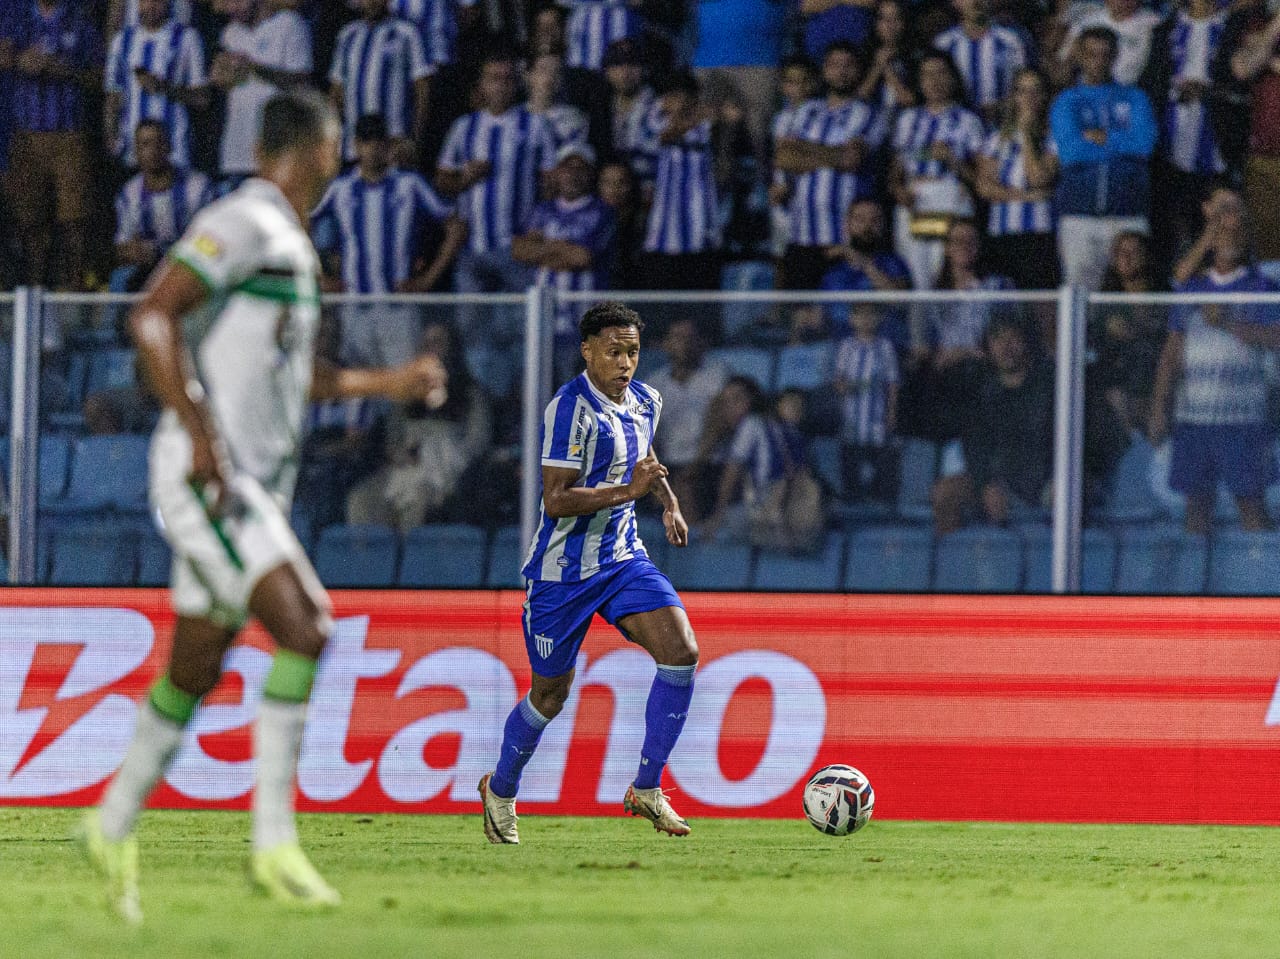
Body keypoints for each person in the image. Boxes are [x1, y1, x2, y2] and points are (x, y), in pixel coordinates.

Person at [79, 89, 449, 922]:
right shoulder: (245, 220)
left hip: (248, 480)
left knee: (196, 666)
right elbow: (151, 315)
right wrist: (199, 429)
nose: (339, 157)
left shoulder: (291, 245)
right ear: (318, 147)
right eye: (336, 145)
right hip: (210, 477)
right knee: (306, 625)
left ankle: (107, 824)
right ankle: (274, 844)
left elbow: (304, 379)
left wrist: (391, 383)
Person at [478, 300, 698, 844]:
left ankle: (647, 787)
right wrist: (629, 492)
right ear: (588, 351)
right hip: (561, 574)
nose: (626, 363)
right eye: (614, 351)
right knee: (550, 695)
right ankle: (500, 789)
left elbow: (645, 464)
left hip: (622, 558)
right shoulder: (570, 409)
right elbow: (555, 500)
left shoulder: (647, 401)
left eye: (633, 352)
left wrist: (668, 501)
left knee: (682, 652)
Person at [1148, 188, 1279, 534]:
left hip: (1243, 418)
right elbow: (1171, 353)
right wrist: (1159, 408)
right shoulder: (1191, 289)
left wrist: (1230, 324)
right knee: (1196, 509)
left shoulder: (1264, 288)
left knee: (1252, 507)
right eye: (1221, 230)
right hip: (1193, 419)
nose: (1229, 235)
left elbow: (1277, 338)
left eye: (1236, 230)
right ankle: (1195, 586)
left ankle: (1261, 581)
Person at [312, 112, 463, 366]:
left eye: (378, 142)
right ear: (356, 146)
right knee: (358, 390)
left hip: (398, 308)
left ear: (388, 145)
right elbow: (299, 223)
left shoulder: (410, 185)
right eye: (366, 142)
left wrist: (426, 281)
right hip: (354, 308)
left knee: (400, 390)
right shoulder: (340, 189)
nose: (372, 150)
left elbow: (456, 228)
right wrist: (320, 279)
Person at [436, 52, 557, 313]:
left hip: (517, 247)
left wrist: (538, 229)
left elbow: (550, 183)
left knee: (521, 324)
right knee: (473, 329)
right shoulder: (464, 127)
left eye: (508, 79)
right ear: (481, 84)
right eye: (494, 79)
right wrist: (465, 178)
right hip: (472, 247)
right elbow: (443, 180)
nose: (501, 85)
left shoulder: (535, 125)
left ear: (516, 85)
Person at [347, 318, 492, 529]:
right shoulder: (407, 394)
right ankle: (365, 561)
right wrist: (399, 453)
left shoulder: (472, 396)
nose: (431, 348)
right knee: (360, 500)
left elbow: (477, 443)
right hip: (401, 472)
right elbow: (393, 437)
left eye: (438, 342)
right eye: (427, 343)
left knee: (416, 501)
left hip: (444, 476)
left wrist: (439, 456)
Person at [0, 0, 103, 290]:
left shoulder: (79, 20)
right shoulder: (17, 18)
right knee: (28, 226)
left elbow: (100, 77)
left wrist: (63, 70)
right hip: (26, 135)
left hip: (70, 134)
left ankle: (72, 297)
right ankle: (31, 299)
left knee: (74, 224)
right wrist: (21, 59)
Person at [1049, 26, 1158, 291]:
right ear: (1079, 56)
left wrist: (1102, 137)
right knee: (1079, 293)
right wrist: (1122, 141)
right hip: (1079, 215)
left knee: (1135, 290)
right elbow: (1071, 153)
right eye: (1091, 55)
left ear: (1115, 56)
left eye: (1105, 55)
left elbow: (1144, 145)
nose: (1098, 62)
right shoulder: (1066, 101)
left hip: (1128, 212)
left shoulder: (1135, 98)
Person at [773, 42, 888, 291]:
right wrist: (834, 154)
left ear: (859, 71)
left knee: (839, 317)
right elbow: (783, 157)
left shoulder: (868, 113)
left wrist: (806, 148)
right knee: (799, 319)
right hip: (802, 233)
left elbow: (853, 159)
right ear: (824, 71)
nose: (841, 71)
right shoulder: (805, 111)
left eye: (848, 65)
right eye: (834, 65)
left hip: (844, 240)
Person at [930, 315, 1054, 533]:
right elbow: (974, 446)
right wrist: (986, 484)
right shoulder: (981, 391)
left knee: (1064, 495)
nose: (1006, 347)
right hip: (995, 480)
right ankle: (952, 563)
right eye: (997, 339)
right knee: (945, 493)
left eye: (1013, 338)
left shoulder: (1049, 387)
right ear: (987, 346)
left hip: (1045, 481)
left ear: (1026, 342)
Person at [513, 142, 617, 377]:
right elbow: (519, 251)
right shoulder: (542, 210)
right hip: (542, 324)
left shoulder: (602, 212)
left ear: (591, 174)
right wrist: (563, 250)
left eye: (580, 168)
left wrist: (544, 247)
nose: (572, 174)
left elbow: (583, 257)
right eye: (566, 167)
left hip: (583, 327)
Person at [889, 51, 986, 291]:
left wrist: (953, 160)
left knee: (946, 271)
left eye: (941, 73)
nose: (935, 80)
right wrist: (898, 190)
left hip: (949, 198)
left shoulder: (968, 121)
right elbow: (895, 171)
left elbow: (981, 179)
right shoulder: (907, 120)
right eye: (928, 74)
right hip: (915, 201)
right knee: (916, 276)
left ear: (953, 78)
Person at [212, 0, 313, 191]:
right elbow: (223, 85)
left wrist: (254, 67)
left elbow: (301, 82)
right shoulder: (230, 33)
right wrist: (220, 75)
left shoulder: (289, 24)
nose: (232, 8)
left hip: (277, 151)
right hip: (236, 154)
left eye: (237, 3)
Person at [975, 67, 1059, 289]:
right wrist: (1028, 197)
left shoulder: (1053, 138)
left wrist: (1027, 135)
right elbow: (984, 187)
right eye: (1022, 91)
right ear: (1014, 96)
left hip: (1039, 233)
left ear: (1044, 96)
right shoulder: (996, 139)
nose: (1029, 98)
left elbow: (1038, 177)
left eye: (1035, 91)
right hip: (1001, 232)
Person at [104, 0, 209, 170]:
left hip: (175, 151)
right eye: (145, 1)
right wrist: (110, 132)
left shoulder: (187, 38)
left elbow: (202, 98)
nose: (151, 6)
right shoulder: (122, 40)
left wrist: (164, 88)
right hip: (131, 151)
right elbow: (113, 93)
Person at [112, 119, 215, 291]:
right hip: (146, 268)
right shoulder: (128, 195)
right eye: (145, 144)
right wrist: (132, 251)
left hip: (191, 266)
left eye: (159, 142)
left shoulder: (198, 188)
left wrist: (165, 253)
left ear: (169, 146)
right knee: (120, 278)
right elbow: (122, 244)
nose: (153, 150)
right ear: (136, 152)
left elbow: (212, 241)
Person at [645, 318, 730, 523]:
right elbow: (647, 435)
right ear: (666, 344)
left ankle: (692, 549)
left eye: (690, 338)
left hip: (705, 463)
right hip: (666, 463)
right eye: (678, 337)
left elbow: (718, 424)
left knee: (686, 488)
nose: (684, 343)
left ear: (701, 343)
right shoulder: (654, 383)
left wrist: (694, 466)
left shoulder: (716, 375)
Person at [329, 0, 432, 166]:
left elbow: (422, 90)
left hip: (394, 143)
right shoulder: (348, 35)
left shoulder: (407, 33)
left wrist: (414, 140)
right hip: (353, 145)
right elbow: (336, 91)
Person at [835, 304, 900, 504]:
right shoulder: (846, 346)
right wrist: (846, 387)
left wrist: (891, 412)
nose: (865, 320)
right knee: (851, 460)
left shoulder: (885, 347)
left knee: (880, 461)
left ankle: (879, 502)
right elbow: (839, 380)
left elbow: (892, 383)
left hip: (876, 416)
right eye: (860, 315)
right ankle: (852, 501)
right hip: (852, 417)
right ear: (852, 319)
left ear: (879, 319)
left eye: (871, 315)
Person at [932, 0, 1029, 123]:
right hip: (954, 125)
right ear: (956, 3)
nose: (977, 2)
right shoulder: (944, 44)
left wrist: (1002, 107)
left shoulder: (1011, 41)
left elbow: (1023, 82)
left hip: (1001, 123)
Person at [857, 0, 919, 116]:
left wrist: (887, 68)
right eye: (884, 19)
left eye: (896, 18)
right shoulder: (865, 53)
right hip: (870, 119)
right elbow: (860, 96)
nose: (890, 25)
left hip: (906, 119)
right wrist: (877, 67)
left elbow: (910, 100)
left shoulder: (915, 55)